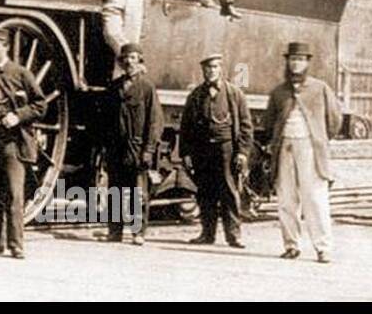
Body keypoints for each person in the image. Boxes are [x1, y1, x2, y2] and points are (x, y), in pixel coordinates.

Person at [0, 27, 49, 259]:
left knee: (14, 195)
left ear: (5, 48)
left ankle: (16, 245)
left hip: (13, 143)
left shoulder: (21, 74)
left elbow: (41, 105)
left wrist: (18, 116)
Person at [262, 41, 340, 263]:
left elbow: (334, 119)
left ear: (307, 62)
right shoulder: (279, 92)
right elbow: (269, 122)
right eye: (292, 59)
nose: (296, 63)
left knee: (314, 198)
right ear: (287, 62)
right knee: (286, 199)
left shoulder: (320, 88)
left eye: (300, 59)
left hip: (310, 148)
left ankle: (323, 248)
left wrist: (319, 140)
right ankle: (291, 245)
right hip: (285, 147)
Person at [181, 53, 252, 248]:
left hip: (226, 148)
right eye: (207, 68)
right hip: (202, 150)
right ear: (203, 70)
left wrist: (242, 152)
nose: (210, 71)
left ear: (221, 69)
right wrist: (186, 153)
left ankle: (234, 235)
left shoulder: (234, 94)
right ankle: (207, 233)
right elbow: (186, 127)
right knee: (205, 192)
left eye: (214, 67)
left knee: (229, 191)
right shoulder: (195, 95)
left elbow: (246, 126)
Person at [101, 43, 164, 245]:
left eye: (133, 58)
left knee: (139, 193)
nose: (129, 62)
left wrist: (149, 149)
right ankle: (115, 231)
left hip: (137, 148)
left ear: (140, 62)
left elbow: (155, 121)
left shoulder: (147, 88)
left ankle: (138, 232)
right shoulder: (113, 87)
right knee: (116, 191)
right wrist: (105, 149)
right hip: (115, 147)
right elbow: (105, 120)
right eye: (126, 59)